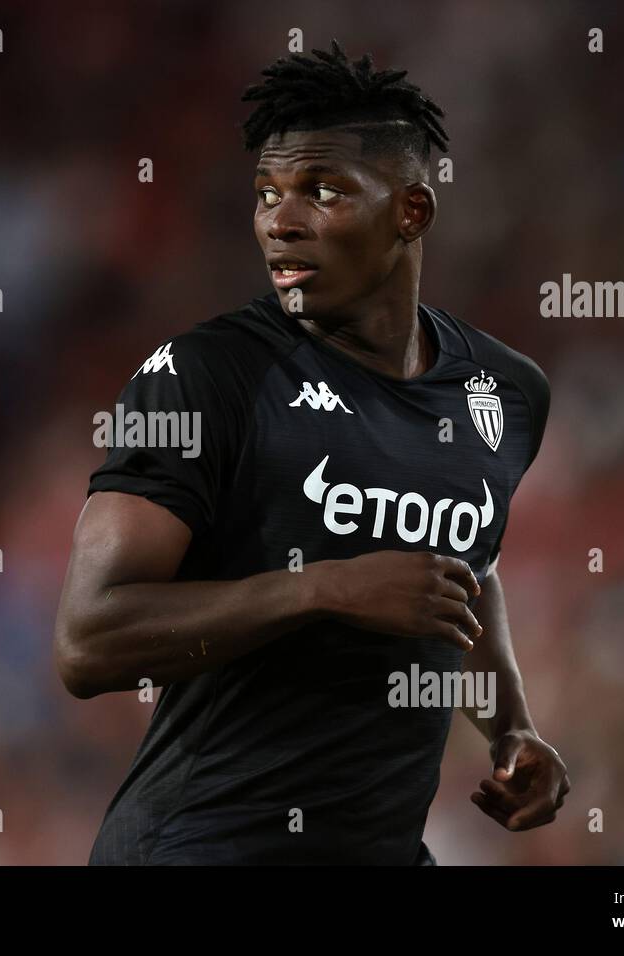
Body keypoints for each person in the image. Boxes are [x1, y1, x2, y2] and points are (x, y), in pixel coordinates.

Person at [54, 40, 569, 864]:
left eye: (322, 192)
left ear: (412, 211)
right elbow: (88, 641)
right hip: (205, 846)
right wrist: (319, 589)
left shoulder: (508, 393)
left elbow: (466, 566)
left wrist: (512, 727)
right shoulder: (203, 377)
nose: (281, 221)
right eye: (267, 194)